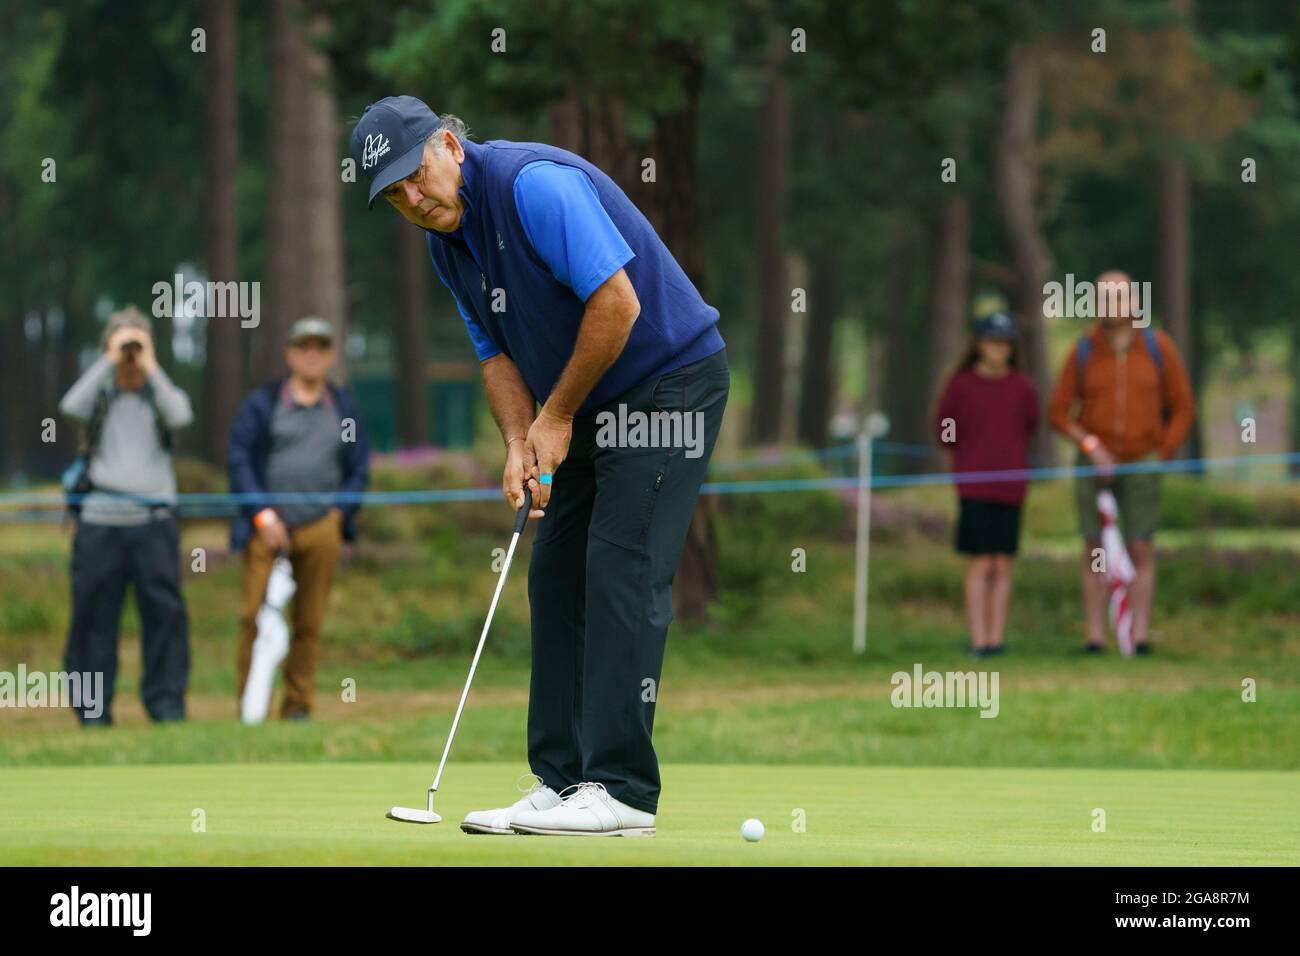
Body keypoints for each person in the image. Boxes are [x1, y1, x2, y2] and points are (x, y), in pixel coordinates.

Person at [351, 96, 728, 836]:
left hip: (669, 381)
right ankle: (561, 782)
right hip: (587, 396)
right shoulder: (447, 244)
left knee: (621, 567)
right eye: (394, 194)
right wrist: (520, 441)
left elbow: (615, 307)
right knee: (555, 571)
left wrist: (556, 418)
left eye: (416, 176)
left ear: (450, 146)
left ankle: (621, 791)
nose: (414, 200)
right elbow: (495, 354)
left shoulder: (534, 187)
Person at [227, 318, 370, 719]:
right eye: (303, 346)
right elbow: (239, 461)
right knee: (252, 617)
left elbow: (359, 468)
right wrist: (262, 515)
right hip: (266, 529)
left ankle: (297, 706)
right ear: (289, 353)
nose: (311, 354)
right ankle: (249, 707)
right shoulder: (263, 404)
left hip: (322, 526)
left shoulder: (342, 409)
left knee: (309, 621)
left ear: (330, 355)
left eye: (320, 347)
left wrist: (340, 512)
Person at [58, 305, 193, 724]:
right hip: (100, 523)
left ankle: (166, 706)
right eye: (124, 344)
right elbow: (70, 406)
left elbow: (181, 415)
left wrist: (150, 364)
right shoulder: (99, 395)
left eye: (138, 343)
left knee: (164, 618)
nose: (131, 353)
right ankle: (93, 711)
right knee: (93, 620)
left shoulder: (160, 393)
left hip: (154, 523)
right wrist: (109, 359)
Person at [1048, 270, 1195, 653]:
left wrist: (1160, 454)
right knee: (1094, 548)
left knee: (1140, 546)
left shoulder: (1158, 348)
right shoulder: (1083, 351)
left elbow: (1182, 408)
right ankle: (1095, 635)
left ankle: (1139, 635)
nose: (1113, 305)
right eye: (1105, 298)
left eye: (1121, 297)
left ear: (1135, 301)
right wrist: (1090, 445)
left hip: (1141, 462)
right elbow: (1059, 413)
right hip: (1094, 465)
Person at [935, 312, 1040, 657]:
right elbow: (945, 430)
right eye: (993, 342)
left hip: (1011, 487)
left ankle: (997, 639)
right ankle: (978, 639)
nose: (999, 349)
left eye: (1005, 343)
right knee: (981, 562)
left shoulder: (1022, 387)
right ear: (979, 344)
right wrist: (968, 456)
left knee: (1002, 562)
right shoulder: (961, 386)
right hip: (974, 487)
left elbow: (1029, 426)